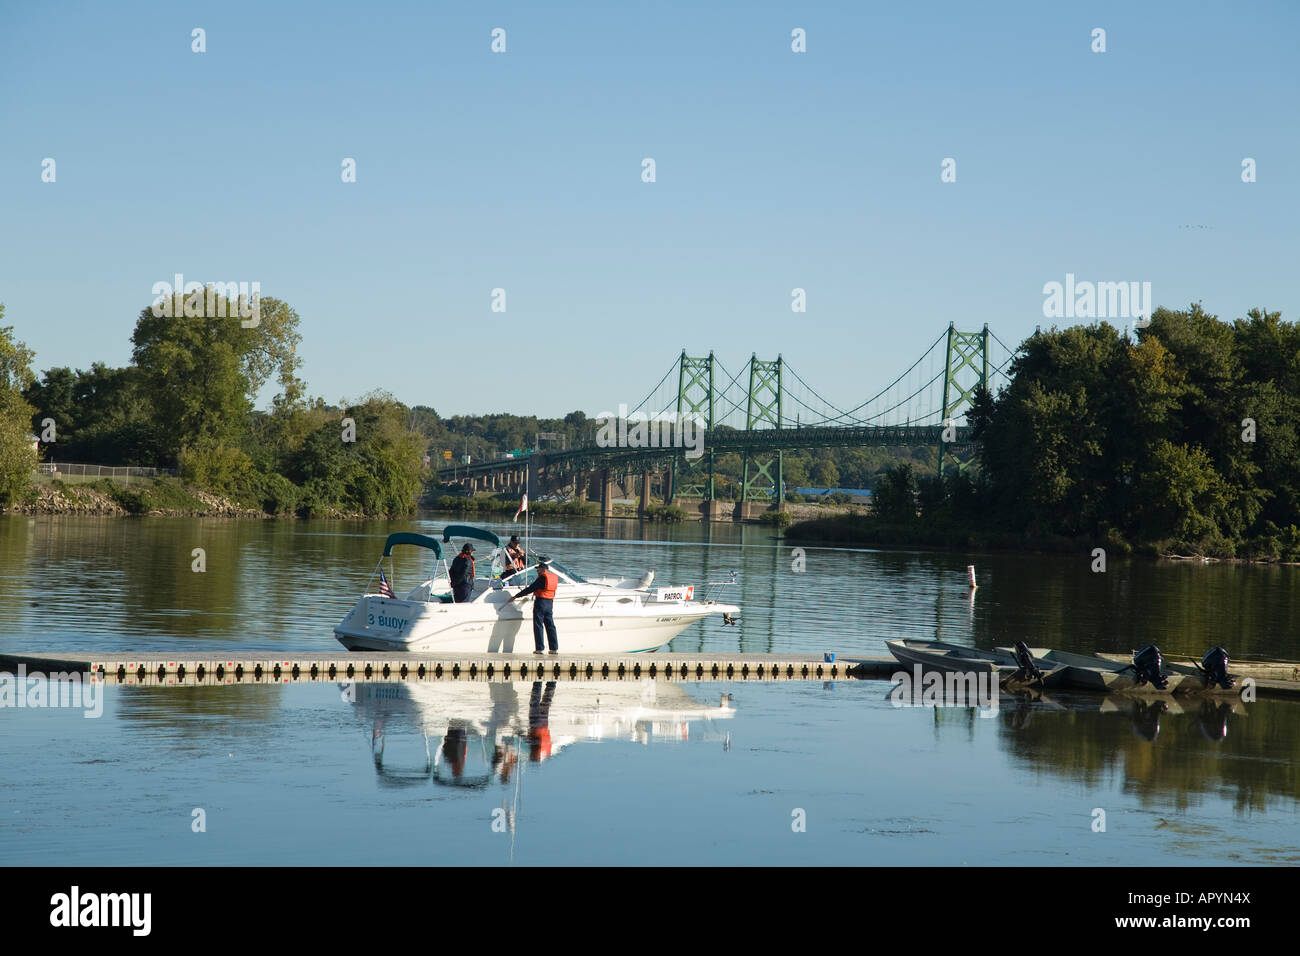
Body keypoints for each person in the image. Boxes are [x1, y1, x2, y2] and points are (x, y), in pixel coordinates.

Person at [506, 559, 559, 654]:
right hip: (550, 603)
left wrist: (516, 596)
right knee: (550, 625)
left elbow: (530, 589)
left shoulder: (542, 578)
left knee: (538, 625)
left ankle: (539, 649)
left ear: (543, 569)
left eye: (538, 569)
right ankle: (553, 648)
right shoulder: (553, 578)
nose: (537, 571)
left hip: (541, 602)